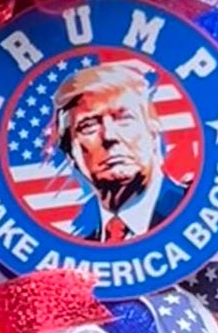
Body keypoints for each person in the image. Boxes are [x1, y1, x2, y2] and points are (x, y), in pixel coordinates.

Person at [53, 60, 189, 243]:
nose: (109, 136)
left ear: (153, 131)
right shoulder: (80, 251)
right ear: (70, 154)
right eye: (88, 126)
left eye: (124, 118)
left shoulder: (194, 211)